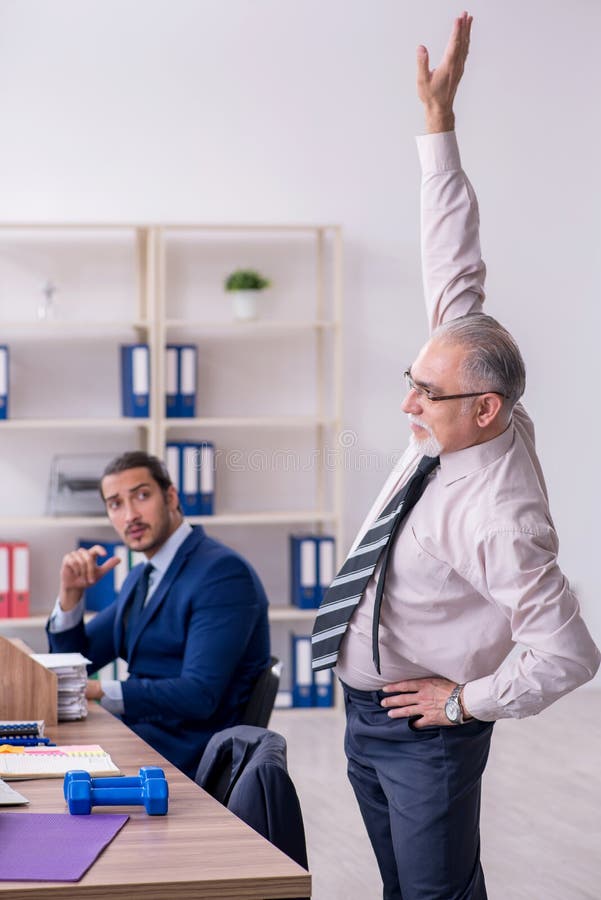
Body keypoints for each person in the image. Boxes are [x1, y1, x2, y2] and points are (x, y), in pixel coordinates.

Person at [311, 13, 600, 900]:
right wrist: (437, 124)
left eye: (422, 395)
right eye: (411, 379)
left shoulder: (500, 514)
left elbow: (567, 652)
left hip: (423, 733)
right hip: (363, 712)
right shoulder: (460, 406)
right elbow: (455, 262)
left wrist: (464, 702)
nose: (405, 405)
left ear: (485, 407)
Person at [47, 450, 270, 779]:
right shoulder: (143, 575)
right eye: (115, 504)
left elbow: (199, 695)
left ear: (171, 496)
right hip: (140, 742)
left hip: (186, 760)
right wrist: (70, 596)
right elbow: (77, 663)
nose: (130, 515)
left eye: (141, 496)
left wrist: (98, 691)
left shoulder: (222, 573)